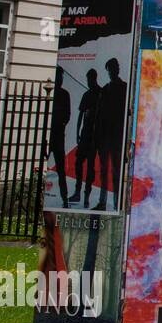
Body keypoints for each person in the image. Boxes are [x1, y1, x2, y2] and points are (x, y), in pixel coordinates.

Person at [94, 57, 127, 211]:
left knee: (116, 171)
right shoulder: (104, 90)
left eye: (115, 67)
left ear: (118, 69)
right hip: (105, 137)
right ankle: (102, 202)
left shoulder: (124, 88)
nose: (113, 71)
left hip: (118, 136)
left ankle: (116, 204)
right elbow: (99, 115)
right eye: (110, 69)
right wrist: (98, 138)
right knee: (104, 171)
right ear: (107, 71)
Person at [69, 68, 99, 208]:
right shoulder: (87, 94)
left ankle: (86, 196)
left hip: (94, 136)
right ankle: (77, 193)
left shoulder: (100, 93)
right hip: (85, 133)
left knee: (91, 167)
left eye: (89, 79)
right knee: (79, 163)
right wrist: (77, 133)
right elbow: (81, 115)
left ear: (94, 78)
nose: (88, 82)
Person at [48, 67, 71, 205]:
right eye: (59, 77)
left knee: (61, 169)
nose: (60, 80)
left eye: (61, 77)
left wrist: (61, 123)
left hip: (59, 136)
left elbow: (67, 114)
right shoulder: (51, 93)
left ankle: (65, 198)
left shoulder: (64, 94)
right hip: (49, 135)